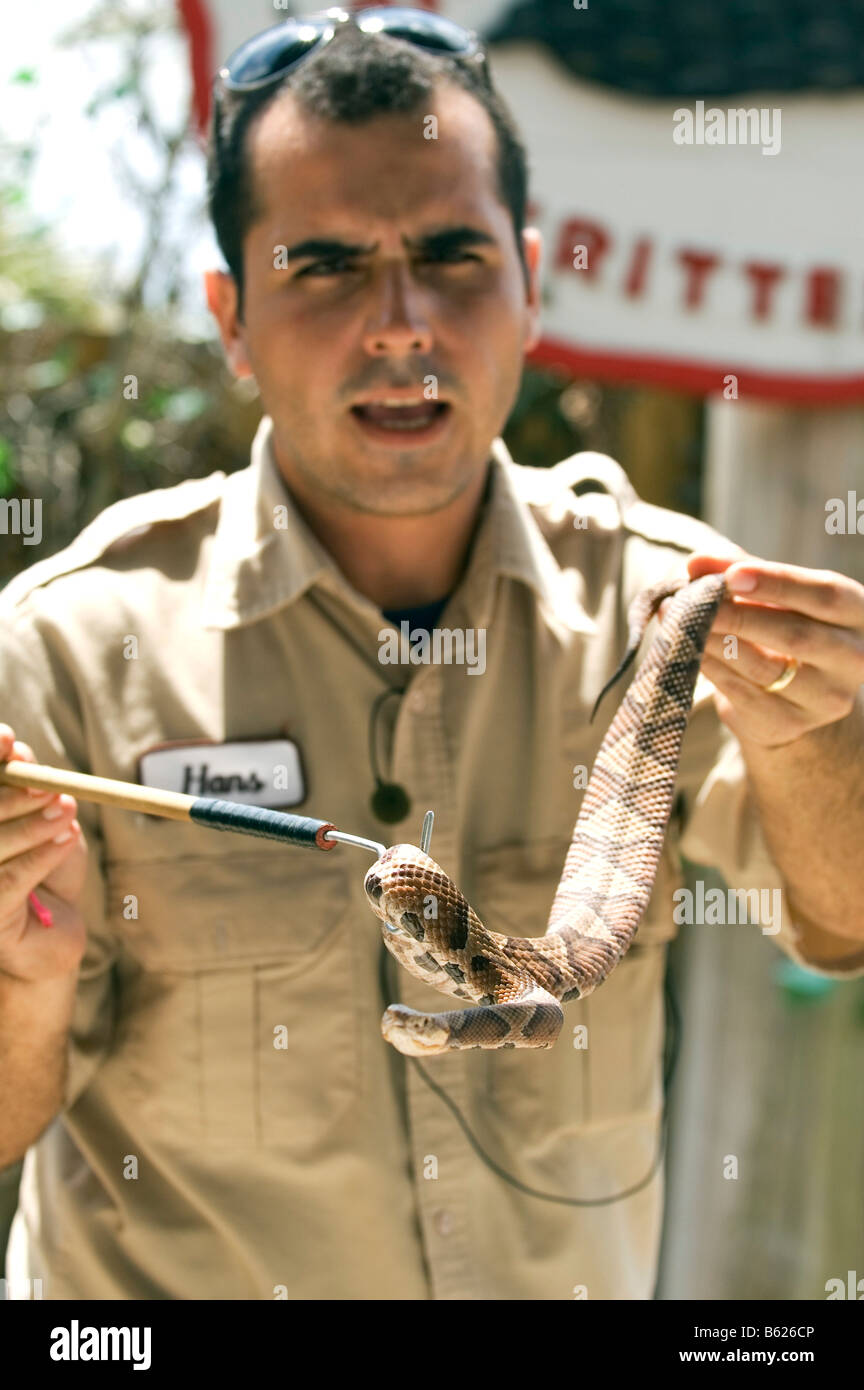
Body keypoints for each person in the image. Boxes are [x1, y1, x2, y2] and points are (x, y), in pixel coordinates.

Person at [1, 9, 863, 1302]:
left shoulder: (666, 596)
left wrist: (828, 747)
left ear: (530, 283)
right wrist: (21, 975)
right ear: (230, 318)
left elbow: (838, 917)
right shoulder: (67, 647)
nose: (398, 323)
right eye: (328, 266)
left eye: (451, 255)